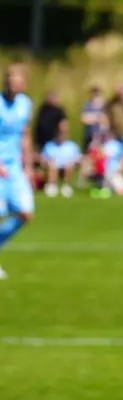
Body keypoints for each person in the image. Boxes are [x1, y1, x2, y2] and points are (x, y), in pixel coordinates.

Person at [0, 64, 35, 280]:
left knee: (26, 214)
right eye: (12, 80)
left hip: (14, 168)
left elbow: (25, 135)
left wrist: (28, 166)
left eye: (20, 81)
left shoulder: (25, 104)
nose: (16, 84)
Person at [40, 119, 83, 197]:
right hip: (53, 167)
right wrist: (48, 161)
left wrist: (73, 161)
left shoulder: (72, 146)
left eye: (63, 133)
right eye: (60, 133)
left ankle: (66, 187)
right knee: (52, 164)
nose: (61, 135)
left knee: (69, 165)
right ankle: (52, 186)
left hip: (67, 167)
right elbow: (42, 158)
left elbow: (79, 159)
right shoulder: (49, 145)